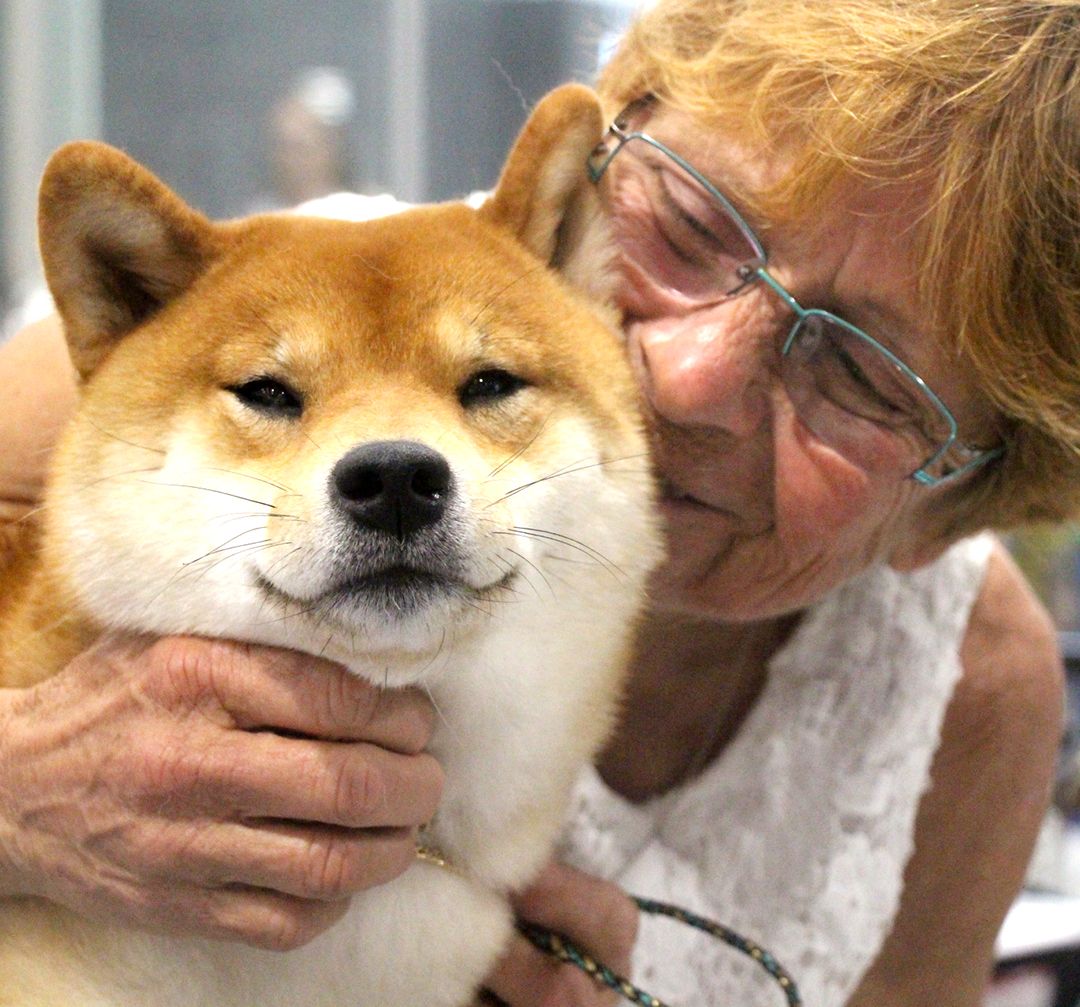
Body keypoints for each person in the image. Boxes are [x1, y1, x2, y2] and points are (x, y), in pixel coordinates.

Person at [0, 0, 1076, 1003]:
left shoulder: (967, 703)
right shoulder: (225, 332)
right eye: (695, 228)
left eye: (861, 371)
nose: (695, 379)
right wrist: (21, 797)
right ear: (603, 165)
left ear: (958, 506)